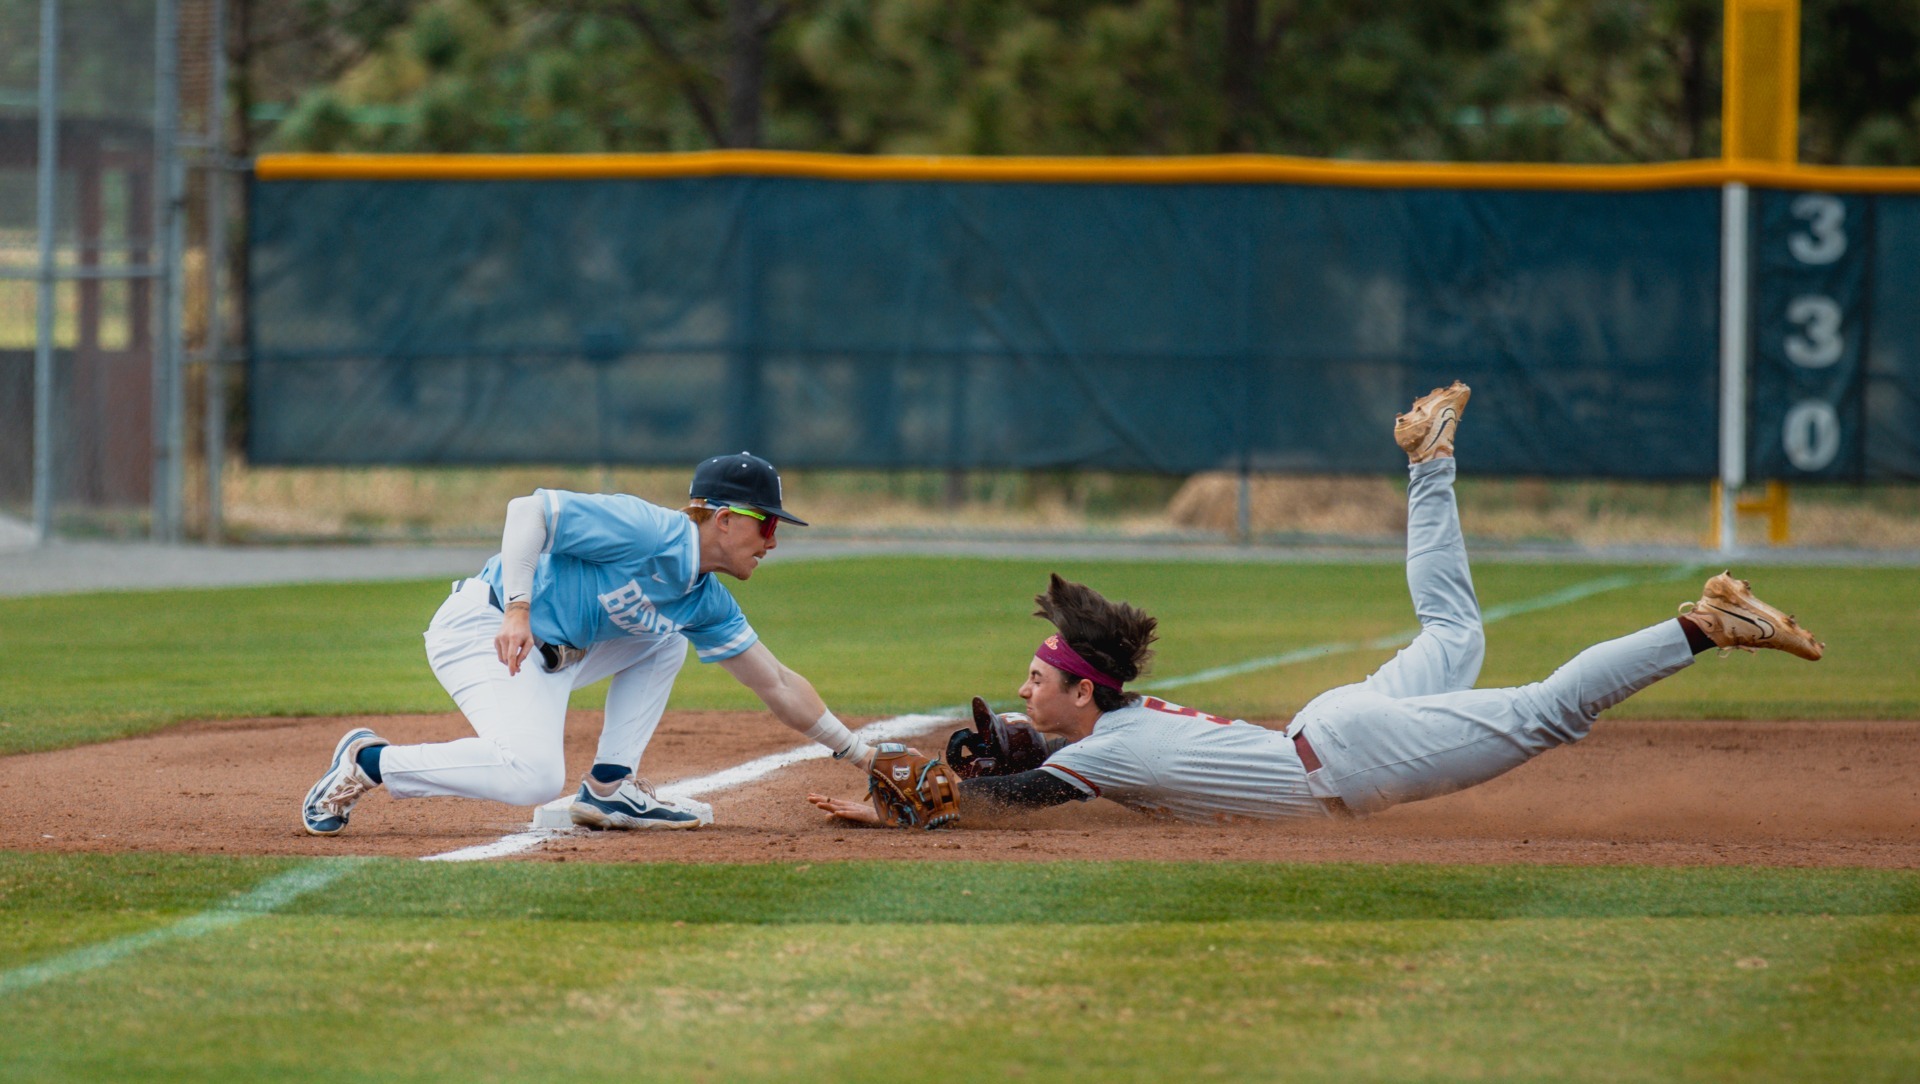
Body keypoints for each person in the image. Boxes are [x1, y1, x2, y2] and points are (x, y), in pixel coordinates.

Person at [809, 382, 1823, 826]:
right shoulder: (1107, 729)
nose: (1025, 687)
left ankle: (1702, 624)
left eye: (1041, 678)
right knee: (1457, 632)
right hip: (1333, 731)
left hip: (1351, 755)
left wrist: (906, 804)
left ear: (1086, 693)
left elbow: (1010, 801)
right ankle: (1431, 460)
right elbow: (1035, 762)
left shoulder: (1103, 748)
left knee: (1543, 710)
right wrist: (1000, 751)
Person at [303, 451, 876, 835]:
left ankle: (609, 788)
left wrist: (864, 756)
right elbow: (527, 511)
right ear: (725, 519)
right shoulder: (648, 530)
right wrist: (520, 608)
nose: (773, 541)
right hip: (486, 628)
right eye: (768, 525)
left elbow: (774, 681)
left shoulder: (704, 598)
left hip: (554, 654)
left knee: (665, 639)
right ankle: (370, 762)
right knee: (533, 777)